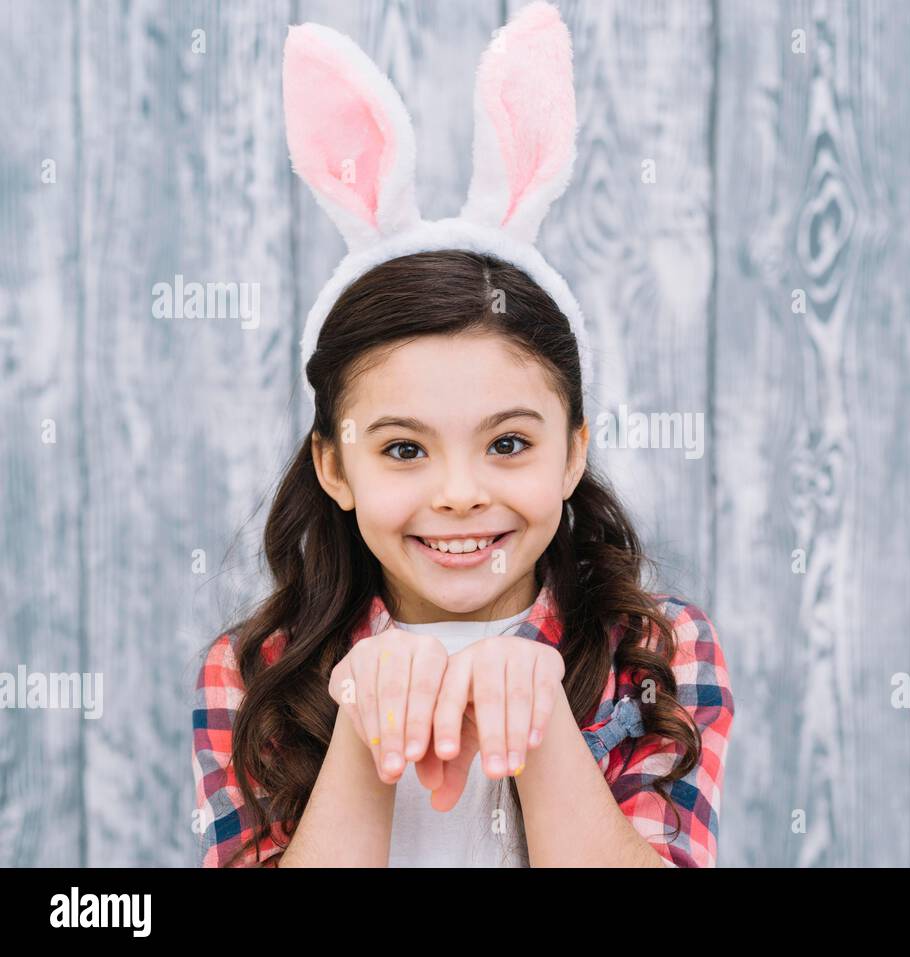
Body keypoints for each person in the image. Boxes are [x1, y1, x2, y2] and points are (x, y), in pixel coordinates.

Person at [190, 2, 733, 869]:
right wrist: (367, 736)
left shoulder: (657, 653)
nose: (458, 491)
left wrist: (545, 722)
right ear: (335, 464)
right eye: (404, 448)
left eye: (508, 444)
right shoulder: (259, 670)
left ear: (575, 450)